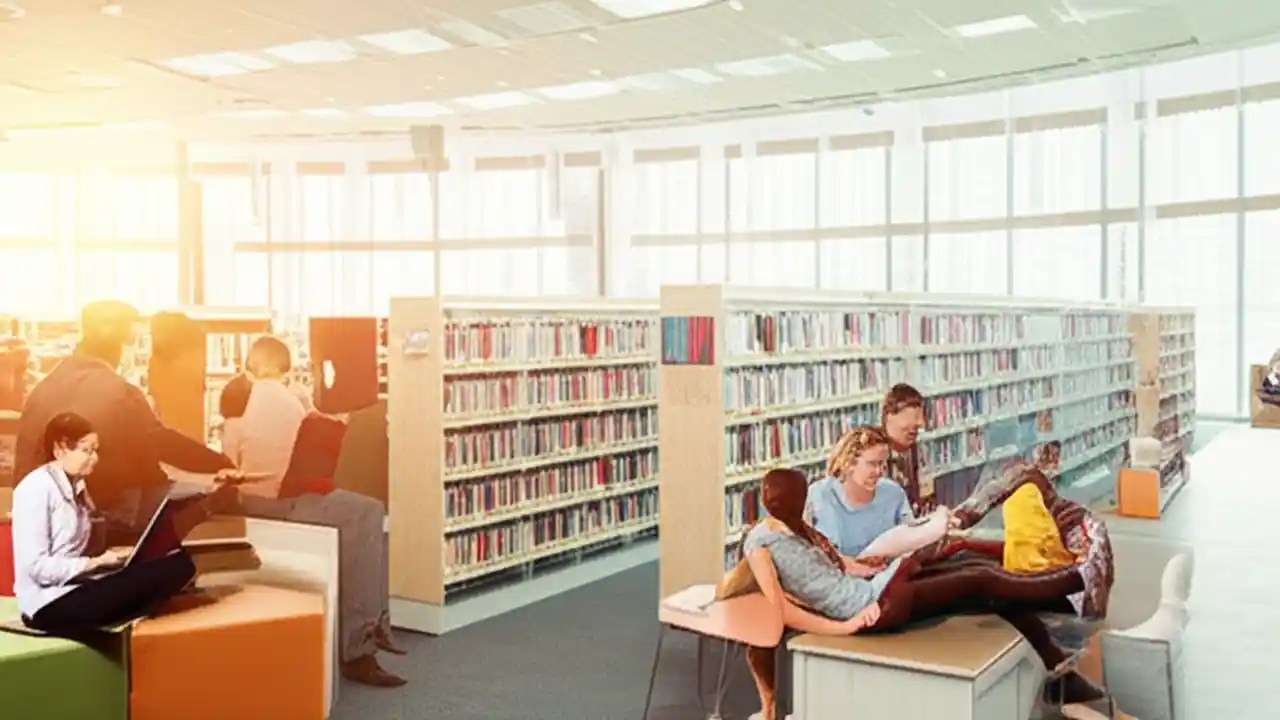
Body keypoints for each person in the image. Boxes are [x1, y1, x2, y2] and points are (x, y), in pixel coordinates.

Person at [740, 468, 1089, 720]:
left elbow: (833, 568)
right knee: (973, 577)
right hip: (867, 606)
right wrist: (847, 628)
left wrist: (866, 567)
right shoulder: (760, 542)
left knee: (965, 562)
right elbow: (780, 610)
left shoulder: (794, 528)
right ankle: (1065, 584)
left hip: (871, 588)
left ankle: (1055, 626)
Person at [804, 429, 1105, 703]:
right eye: (872, 464)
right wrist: (855, 563)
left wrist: (930, 534)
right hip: (871, 593)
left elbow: (909, 535)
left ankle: (1056, 655)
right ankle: (1068, 587)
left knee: (972, 560)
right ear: (848, 461)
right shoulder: (821, 496)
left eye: (883, 464)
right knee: (977, 579)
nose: (879, 472)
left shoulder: (890, 492)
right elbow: (821, 551)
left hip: (899, 570)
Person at [219, 336, 408, 688]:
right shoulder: (298, 402)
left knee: (359, 514)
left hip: (251, 501)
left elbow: (229, 464)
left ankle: (369, 627)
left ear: (248, 367)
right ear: (287, 371)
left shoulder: (235, 407)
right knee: (368, 514)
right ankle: (363, 639)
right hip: (285, 502)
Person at [14, 301, 239, 534]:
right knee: (194, 503)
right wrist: (219, 463)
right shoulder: (120, 391)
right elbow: (160, 443)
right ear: (123, 344)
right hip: (97, 520)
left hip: (38, 520)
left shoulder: (41, 389)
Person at [12, 412, 197, 634]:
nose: (95, 458)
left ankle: (131, 609)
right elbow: (37, 567)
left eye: (96, 451)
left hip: (76, 586)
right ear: (60, 449)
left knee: (177, 562)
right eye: (86, 451)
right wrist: (95, 563)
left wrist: (118, 557)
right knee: (165, 573)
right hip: (47, 604)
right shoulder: (35, 489)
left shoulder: (78, 486)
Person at [879, 383, 931, 514]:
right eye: (912, 417)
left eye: (920, 417)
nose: (920, 424)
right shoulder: (871, 453)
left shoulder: (917, 451)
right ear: (890, 416)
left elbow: (927, 497)